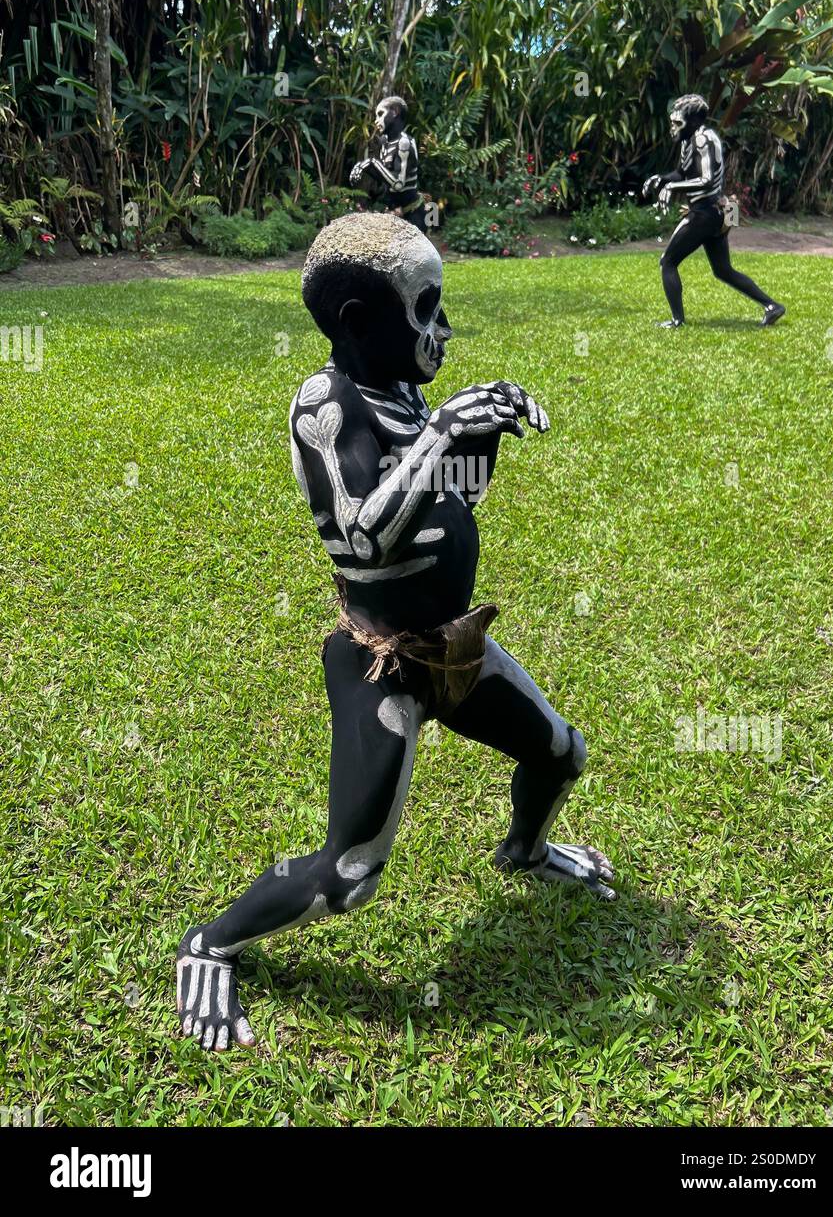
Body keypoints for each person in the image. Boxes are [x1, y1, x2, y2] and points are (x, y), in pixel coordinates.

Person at [175, 211, 615, 1052]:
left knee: (562, 753)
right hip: (381, 662)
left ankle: (524, 851)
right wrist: (448, 429)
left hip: (452, 641)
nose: (443, 330)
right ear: (358, 321)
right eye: (426, 309)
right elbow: (363, 537)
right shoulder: (324, 405)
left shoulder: (402, 390)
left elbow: (448, 501)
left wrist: (478, 438)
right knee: (351, 875)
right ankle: (211, 945)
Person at [643, 94, 785, 329]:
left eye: (678, 123)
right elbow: (682, 173)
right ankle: (773, 306)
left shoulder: (704, 139)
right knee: (723, 270)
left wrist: (672, 187)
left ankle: (677, 320)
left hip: (707, 212)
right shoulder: (689, 140)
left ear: (695, 121)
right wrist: (662, 179)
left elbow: (708, 181)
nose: (673, 128)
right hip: (714, 212)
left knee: (668, 262)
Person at [350, 95, 428, 232]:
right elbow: (385, 179)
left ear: (394, 112)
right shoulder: (385, 143)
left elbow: (398, 184)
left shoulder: (404, 143)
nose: (376, 121)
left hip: (413, 213)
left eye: (380, 114)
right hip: (395, 214)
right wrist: (366, 168)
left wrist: (371, 164)